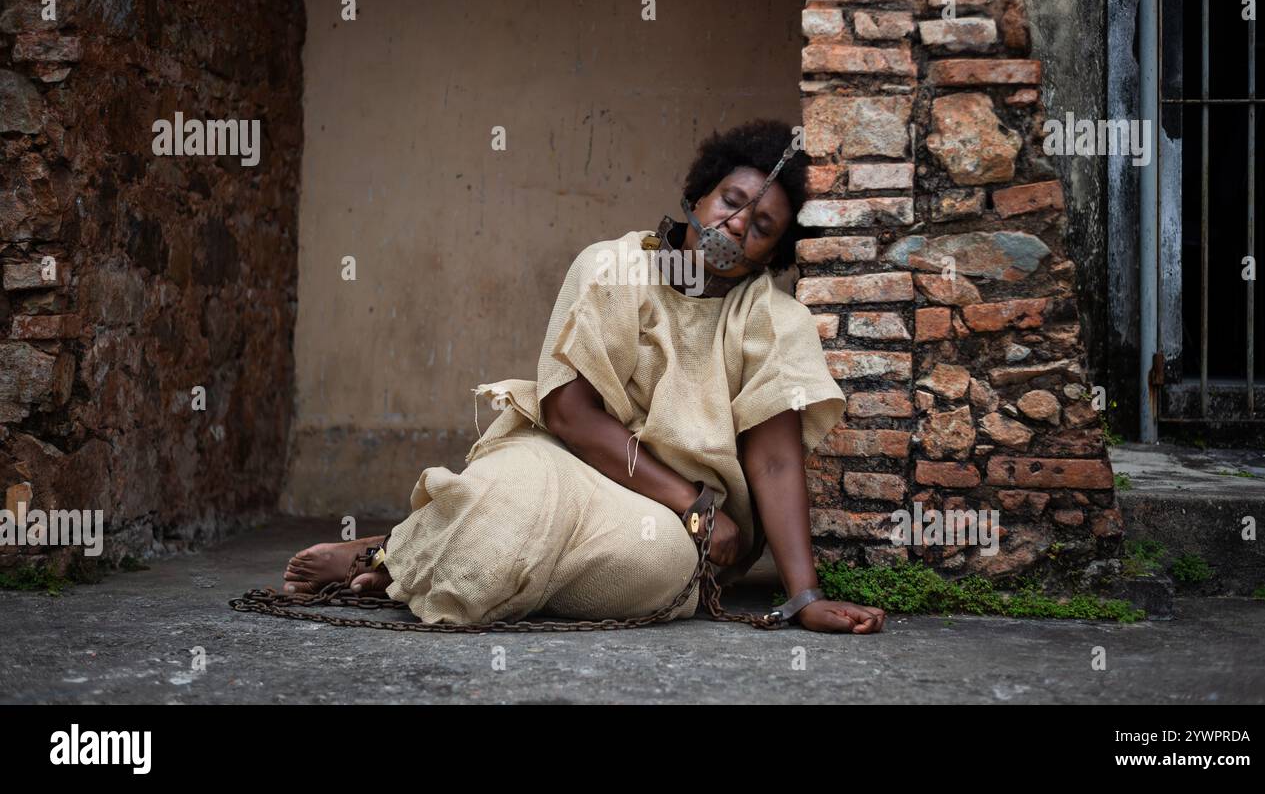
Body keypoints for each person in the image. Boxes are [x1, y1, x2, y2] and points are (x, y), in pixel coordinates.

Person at [281, 119, 887, 634]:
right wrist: (695, 501)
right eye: (731, 202)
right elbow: (570, 415)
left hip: (671, 521)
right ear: (700, 195)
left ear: (772, 255)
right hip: (569, 459)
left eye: (762, 228)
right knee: (515, 495)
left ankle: (425, 561)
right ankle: (388, 555)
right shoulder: (612, 266)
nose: (736, 226)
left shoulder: (774, 322)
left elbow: (776, 462)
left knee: (653, 565)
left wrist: (803, 596)